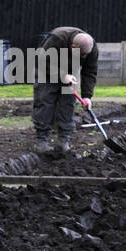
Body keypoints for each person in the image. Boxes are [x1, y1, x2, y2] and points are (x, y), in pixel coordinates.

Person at [32, 27, 98, 155]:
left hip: (71, 74)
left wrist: (87, 96)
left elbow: (90, 72)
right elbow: (42, 61)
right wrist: (62, 75)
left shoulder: (91, 48)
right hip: (47, 72)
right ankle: (41, 141)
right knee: (45, 102)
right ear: (73, 47)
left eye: (86, 55)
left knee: (67, 104)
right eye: (82, 55)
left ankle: (63, 141)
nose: (84, 57)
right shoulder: (57, 39)